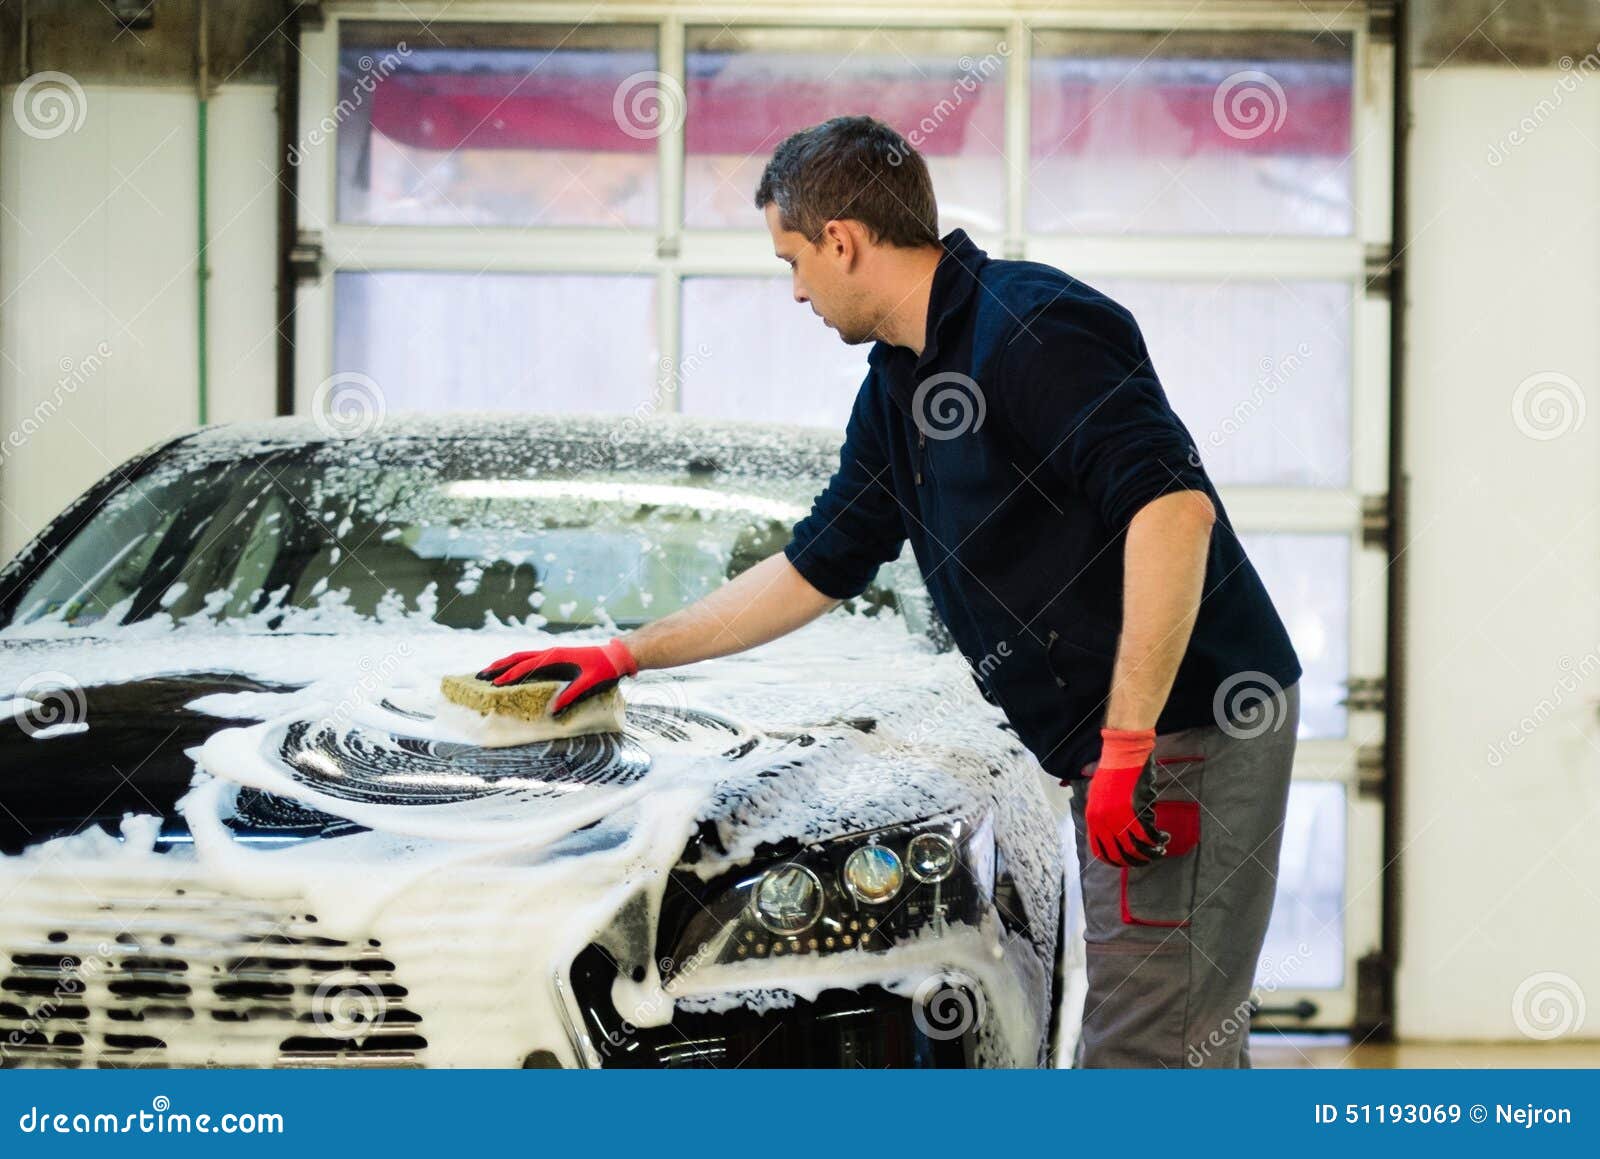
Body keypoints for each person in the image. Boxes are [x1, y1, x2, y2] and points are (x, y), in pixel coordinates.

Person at [477, 115, 1303, 1068]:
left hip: (1187, 728)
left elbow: (1172, 513)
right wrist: (627, 652)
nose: (794, 290)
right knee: (1179, 1024)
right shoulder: (898, 386)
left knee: (1149, 1045)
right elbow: (815, 566)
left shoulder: (1033, 327)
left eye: (792, 258)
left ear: (843, 240)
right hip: (1128, 740)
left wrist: (1127, 746)